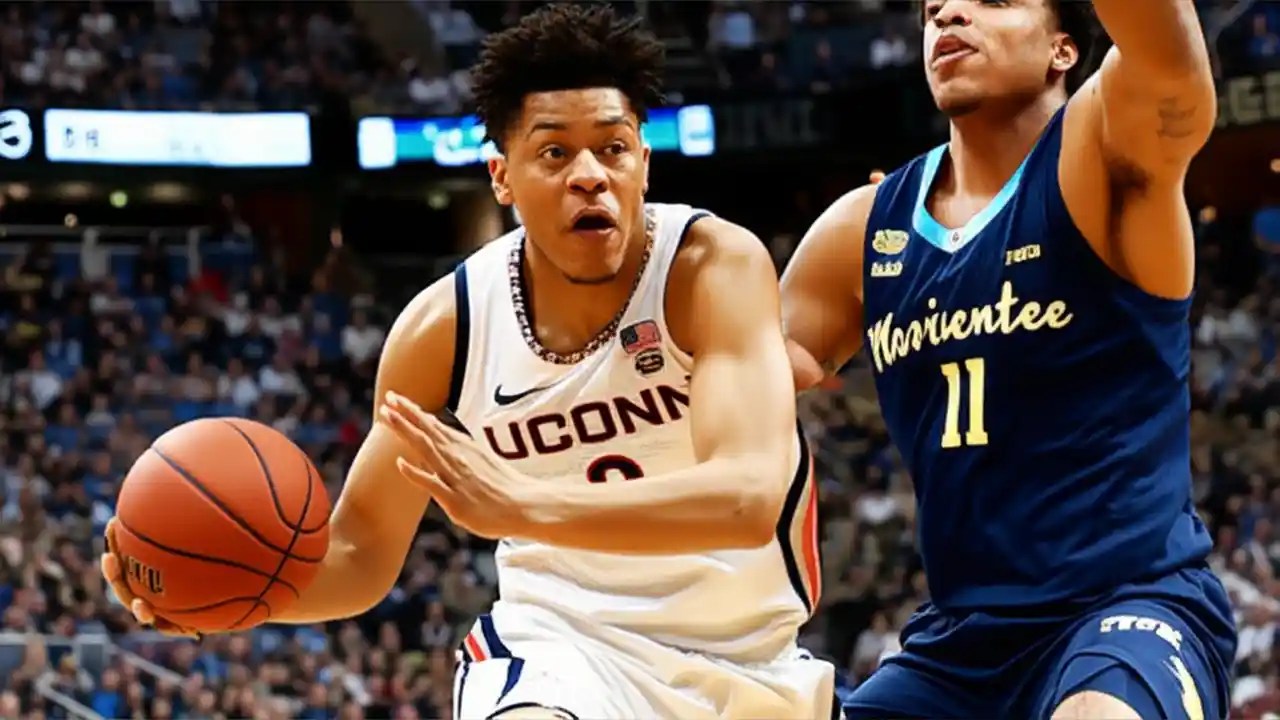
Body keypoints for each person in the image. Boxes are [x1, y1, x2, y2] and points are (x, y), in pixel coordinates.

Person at [102, 5, 832, 719]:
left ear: (643, 162)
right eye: (554, 152)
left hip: (755, 666)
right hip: (562, 654)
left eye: (612, 148)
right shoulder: (442, 330)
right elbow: (358, 554)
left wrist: (520, 504)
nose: (589, 174)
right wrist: (218, 597)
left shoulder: (710, 268)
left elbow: (747, 498)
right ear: (501, 176)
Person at [782, 0, 1236, 718]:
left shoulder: (1103, 153)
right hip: (961, 640)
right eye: (934, 8)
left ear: (1063, 49)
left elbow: (1167, 64)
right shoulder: (863, 226)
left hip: (1128, 608)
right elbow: (750, 378)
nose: (950, 13)